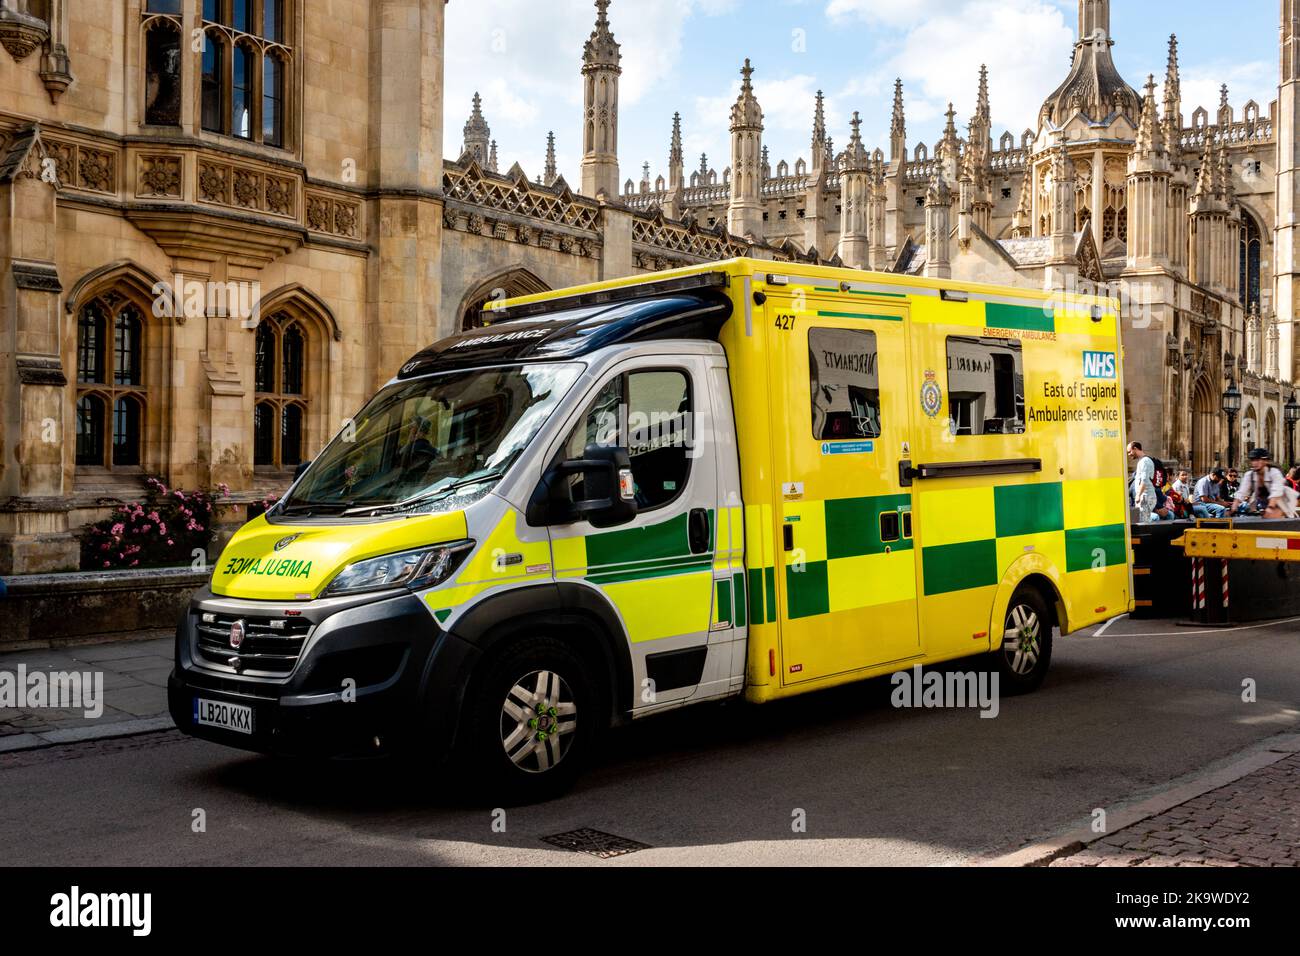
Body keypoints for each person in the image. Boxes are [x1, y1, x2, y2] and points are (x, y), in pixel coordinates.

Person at [1234, 448, 1300, 519]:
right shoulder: (1250, 475)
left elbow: (1276, 492)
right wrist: (1234, 506)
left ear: (1265, 461)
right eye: (1253, 460)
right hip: (1263, 508)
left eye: (1258, 460)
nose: (1255, 463)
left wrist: (1270, 508)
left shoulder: (1274, 473)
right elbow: (1242, 491)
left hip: (1282, 505)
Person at [1128, 441, 1157, 522]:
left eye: (1129, 451)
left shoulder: (1145, 461)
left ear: (1135, 448)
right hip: (1144, 497)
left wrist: (1138, 495)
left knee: (1143, 522)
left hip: (1146, 497)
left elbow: (1144, 480)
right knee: (1143, 521)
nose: (1129, 454)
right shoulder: (1142, 461)